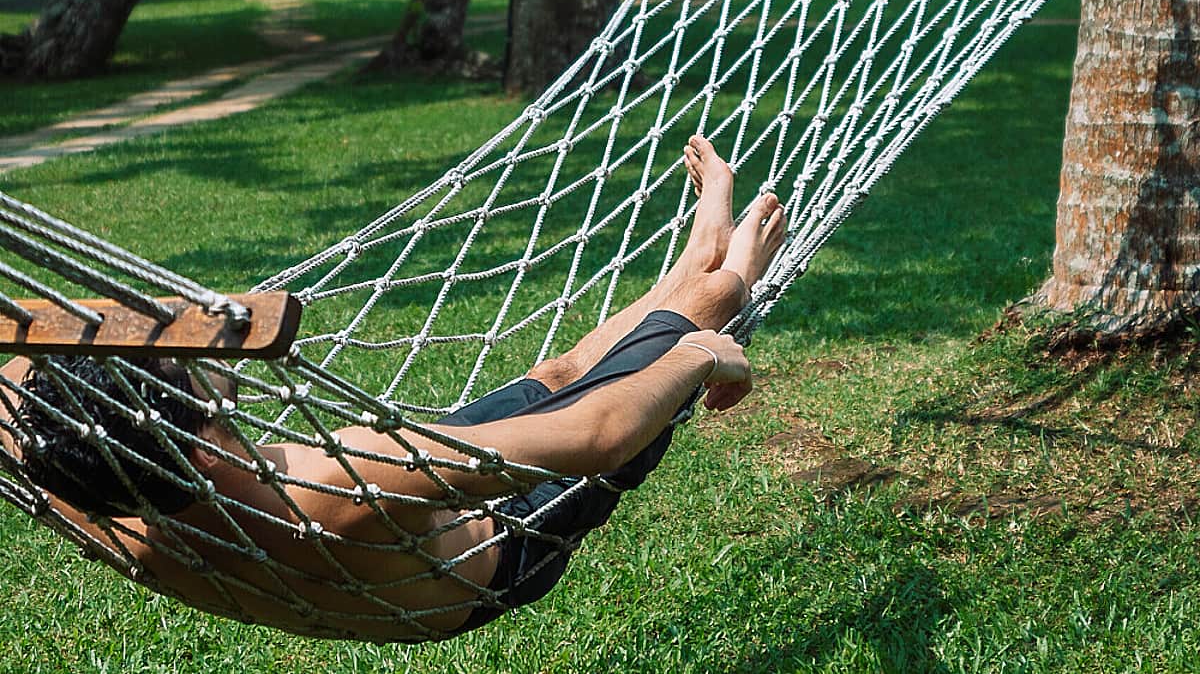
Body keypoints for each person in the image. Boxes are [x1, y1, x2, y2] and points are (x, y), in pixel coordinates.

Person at [0, 135, 786, 642]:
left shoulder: (77, 474)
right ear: (199, 425)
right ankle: (728, 267)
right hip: (500, 544)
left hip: (399, 529)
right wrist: (704, 360)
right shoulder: (337, 478)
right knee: (699, 318)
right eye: (178, 353)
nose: (189, 332)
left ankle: (698, 248)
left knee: (556, 373)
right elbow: (601, 433)